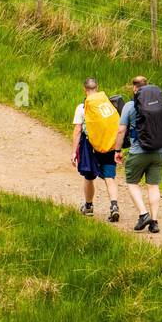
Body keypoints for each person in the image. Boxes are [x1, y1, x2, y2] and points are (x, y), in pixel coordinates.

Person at [114, 74, 162, 235]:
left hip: (138, 152)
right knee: (153, 186)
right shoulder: (159, 105)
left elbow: (121, 130)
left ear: (134, 88)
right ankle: (154, 222)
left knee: (132, 182)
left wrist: (117, 150)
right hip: (158, 151)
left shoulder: (129, 106)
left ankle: (144, 215)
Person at [72, 78, 120, 222]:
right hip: (109, 144)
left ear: (84, 89)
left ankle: (88, 207)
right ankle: (114, 206)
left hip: (90, 147)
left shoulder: (82, 107)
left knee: (89, 176)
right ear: (97, 88)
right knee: (109, 177)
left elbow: (77, 130)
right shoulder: (108, 105)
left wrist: (74, 151)